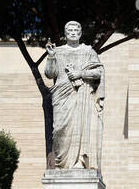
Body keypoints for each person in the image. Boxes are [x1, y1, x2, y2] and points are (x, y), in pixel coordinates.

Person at [44, 21, 106, 170]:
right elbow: (50, 73)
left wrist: (81, 73)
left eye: (76, 30)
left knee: (81, 127)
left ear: (80, 33)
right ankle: (61, 164)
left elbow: (99, 72)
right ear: (65, 33)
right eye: (69, 30)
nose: (73, 32)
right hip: (62, 96)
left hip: (82, 95)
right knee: (59, 130)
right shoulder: (57, 51)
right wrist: (51, 57)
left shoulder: (88, 52)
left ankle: (79, 161)